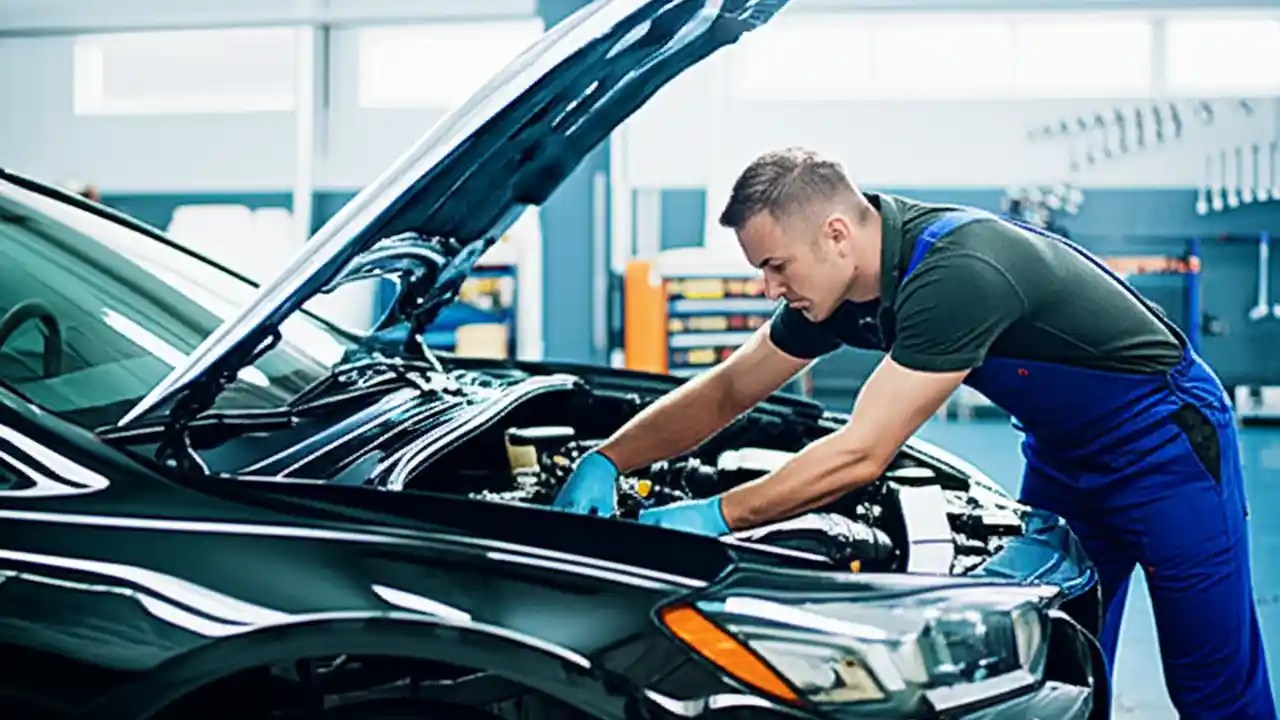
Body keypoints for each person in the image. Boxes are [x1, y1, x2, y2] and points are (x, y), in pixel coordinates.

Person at [552, 146, 1275, 718]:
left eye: (775, 266)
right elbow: (729, 389)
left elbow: (862, 452)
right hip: (1062, 456)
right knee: (1063, 663)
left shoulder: (956, 271)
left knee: (1208, 677)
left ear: (836, 235)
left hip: (1165, 447)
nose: (768, 288)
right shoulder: (834, 290)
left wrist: (715, 515)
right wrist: (608, 458)